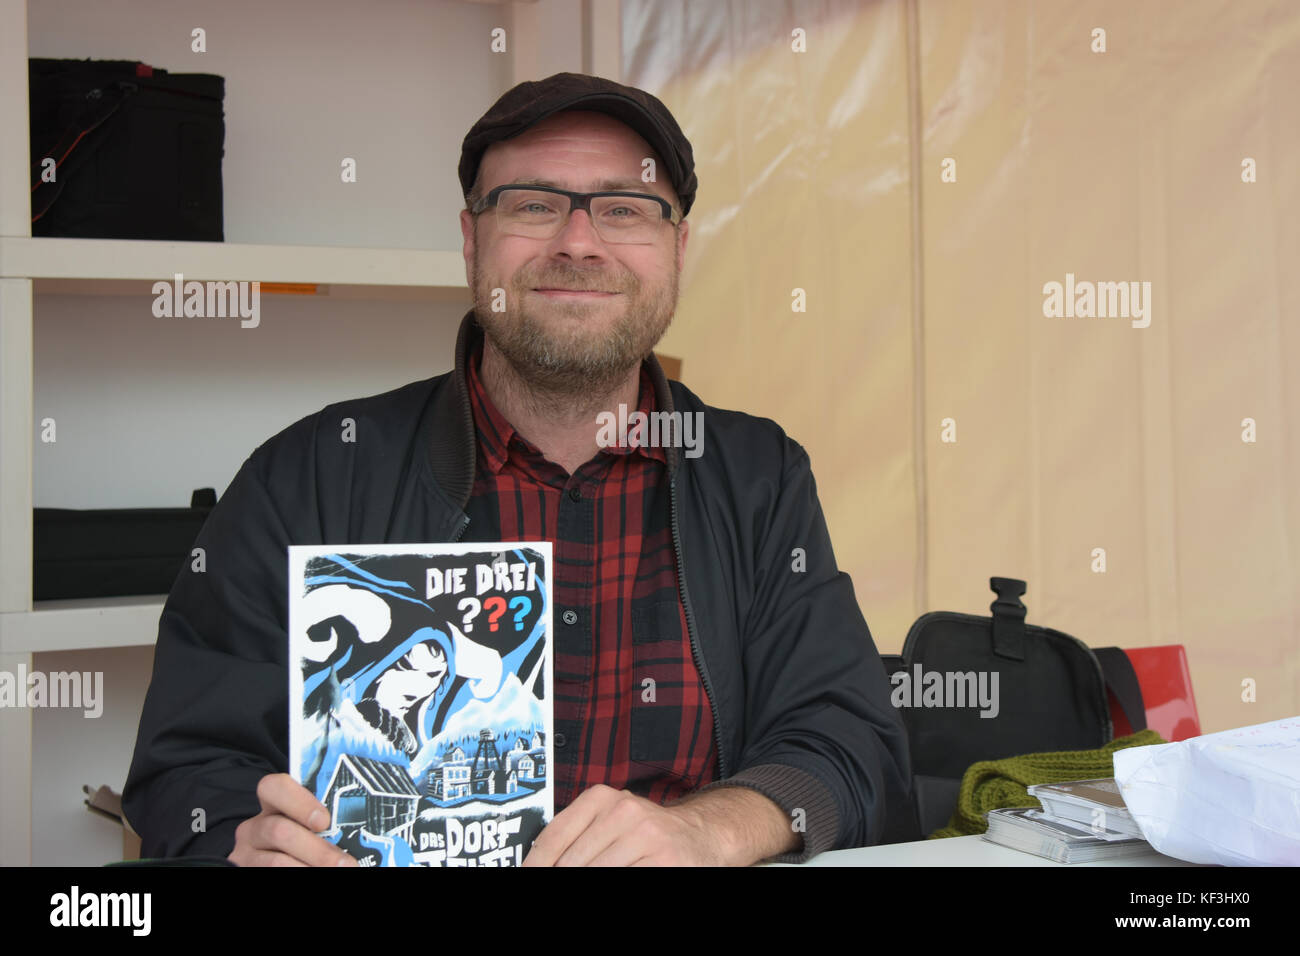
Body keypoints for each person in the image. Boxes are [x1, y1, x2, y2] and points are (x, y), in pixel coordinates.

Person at [123, 72, 915, 867]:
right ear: (472, 241)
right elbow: (183, 773)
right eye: (534, 204)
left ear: (677, 250)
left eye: (623, 208)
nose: (578, 242)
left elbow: (851, 746)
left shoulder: (758, 476)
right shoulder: (309, 474)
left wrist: (707, 829)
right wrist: (236, 842)